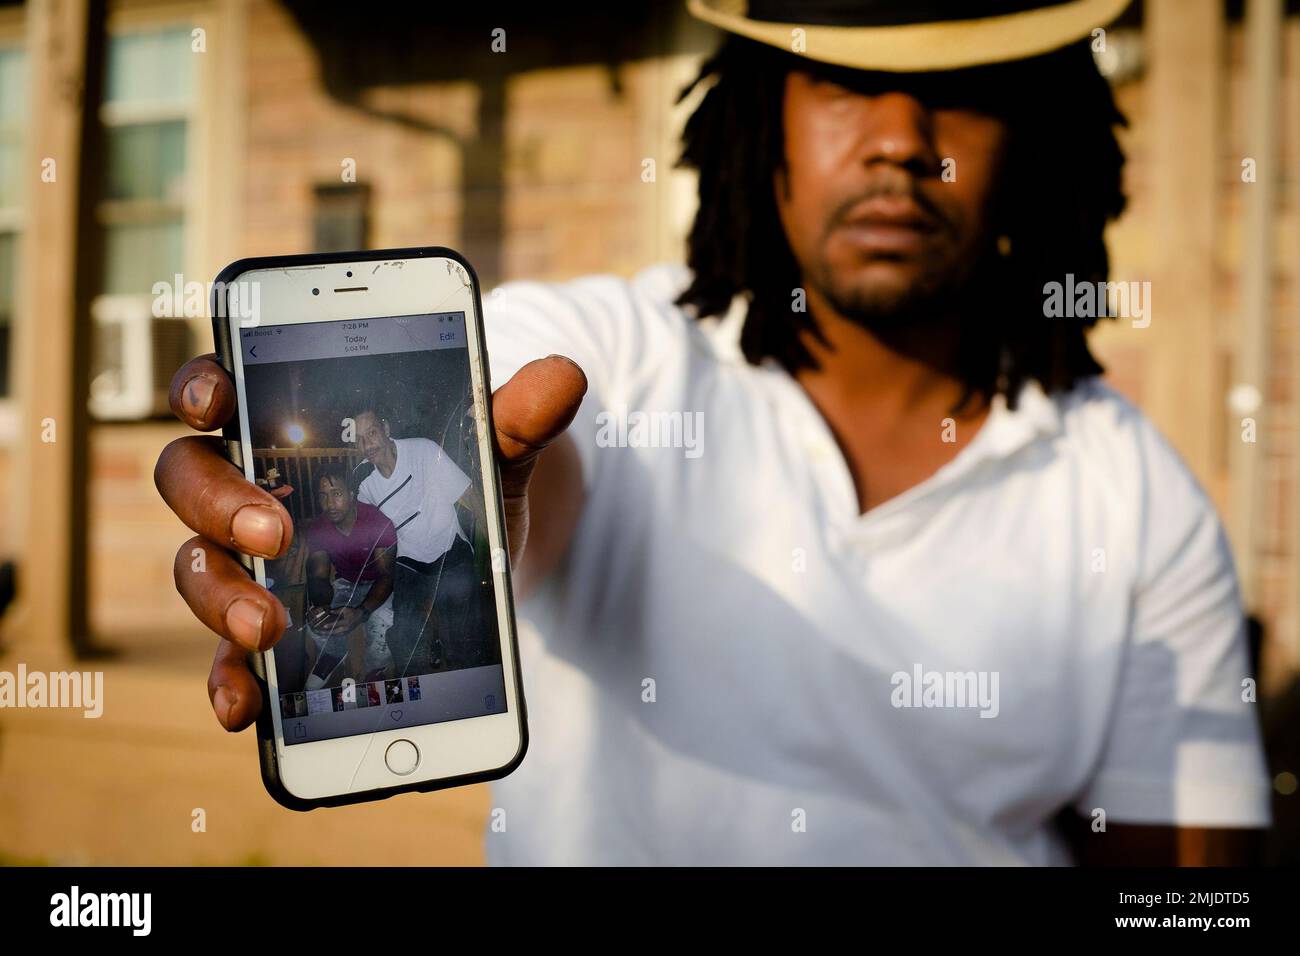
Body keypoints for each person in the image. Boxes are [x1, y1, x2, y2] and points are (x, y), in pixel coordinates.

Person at [156, 0, 1270, 864]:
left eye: (959, 89)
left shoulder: (1135, 492)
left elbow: (1183, 880)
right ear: (758, 116)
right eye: (841, 80)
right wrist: (470, 497)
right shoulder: (616, 351)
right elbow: (515, 422)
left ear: (1033, 137)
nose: (898, 140)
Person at [351, 405, 485, 673]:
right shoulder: (364, 482)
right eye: (360, 439)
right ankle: (420, 694)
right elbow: (366, 531)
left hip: (450, 551)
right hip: (410, 561)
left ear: (387, 430)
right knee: (404, 637)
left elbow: (469, 496)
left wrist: (495, 546)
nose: (367, 444)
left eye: (373, 433)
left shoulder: (423, 450)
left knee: (462, 639)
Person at [301, 465, 398, 689]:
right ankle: (333, 654)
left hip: (379, 584)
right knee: (317, 624)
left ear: (351, 495)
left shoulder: (377, 522)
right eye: (323, 496)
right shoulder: (318, 528)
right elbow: (318, 576)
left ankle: (377, 668)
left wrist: (361, 613)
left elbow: (387, 576)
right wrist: (322, 606)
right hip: (347, 582)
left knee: (382, 628)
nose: (329, 504)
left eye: (337, 494)